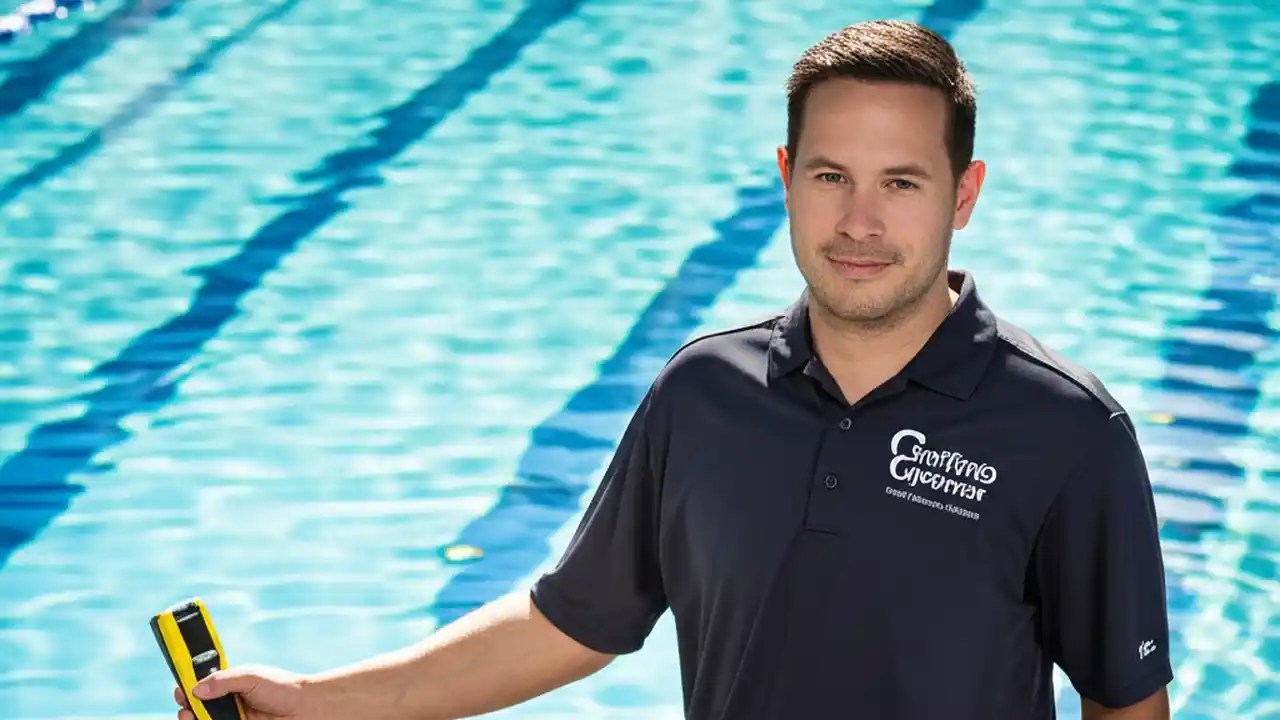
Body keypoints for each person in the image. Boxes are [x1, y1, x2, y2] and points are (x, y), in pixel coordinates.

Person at [175, 19, 1173, 720]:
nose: (858, 223)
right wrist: (316, 704)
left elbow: (1123, 705)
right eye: (828, 176)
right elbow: (570, 623)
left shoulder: (1064, 432)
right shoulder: (703, 394)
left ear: (963, 195)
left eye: (899, 183)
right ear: (785, 179)